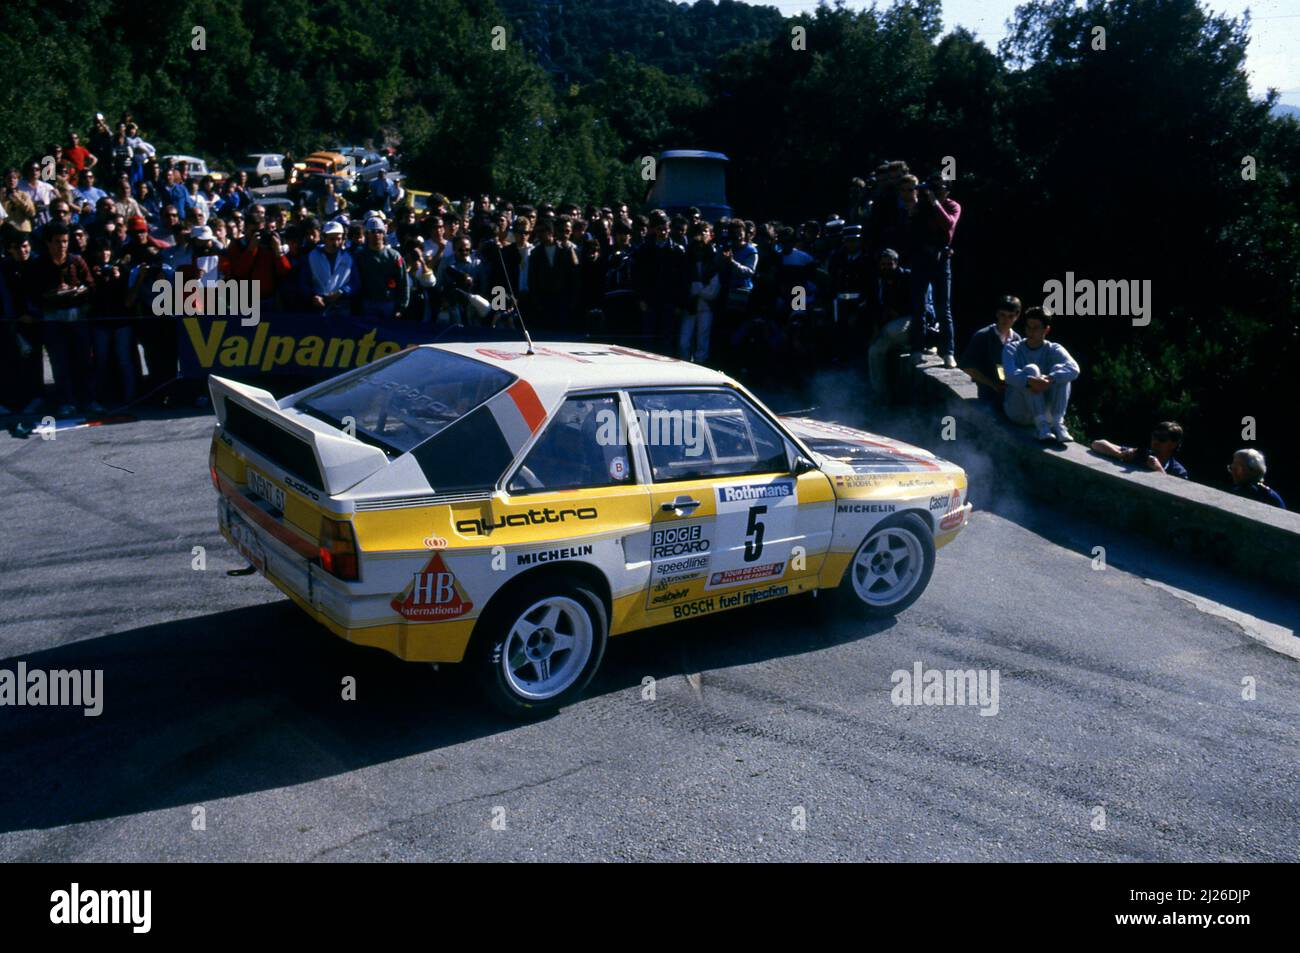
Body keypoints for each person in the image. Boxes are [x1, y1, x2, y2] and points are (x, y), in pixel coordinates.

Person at [32, 223, 95, 415]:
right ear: (48, 243)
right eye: (58, 242)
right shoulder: (39, 264)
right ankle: (66, 402)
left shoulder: (76, 261)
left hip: (75, 315)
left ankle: (88, 400)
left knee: (83, 361)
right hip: (52, 318)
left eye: (65, 241)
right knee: (60, 363)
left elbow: (91, 284)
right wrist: (50, 294)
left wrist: (80, 290)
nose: (62, 246)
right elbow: (32, 293)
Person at [1002, 306, 1080, 443]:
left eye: (1036, 328)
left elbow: (1074, 368)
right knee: (1031, 369)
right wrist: (1032, 380)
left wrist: (1050, 379)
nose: (1030, 332)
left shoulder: (1053, 348)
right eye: (1028, 327)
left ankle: (1057, 424)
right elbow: (1009, 375)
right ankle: (1041, 427)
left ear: (1046, 330)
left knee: (1061, 370)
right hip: (1018, 411)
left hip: (1046, 412)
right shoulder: (1012, 348)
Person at [866, 248, 914, 397]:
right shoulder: (880, 281)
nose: (886, 267)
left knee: (890, 330)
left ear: (896, 263)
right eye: (883, 264)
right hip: (888, 328)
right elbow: (876, 306)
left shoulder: (908, 277)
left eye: (889, 264)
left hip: (910, 321)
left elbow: (920, 307)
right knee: (874, 351)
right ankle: (880, 393)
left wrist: (897, 311)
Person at [960, 295, 1022, 406]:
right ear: (997, 313)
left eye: (1010, 316)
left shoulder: (1017, 339)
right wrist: (993, 385)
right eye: (1003, 315)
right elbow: (967, 367)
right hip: (988, 394)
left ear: (1017, 316)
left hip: (1011, 391)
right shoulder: (983, 336)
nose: (1006, 320)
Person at [352, 216, 407, 322]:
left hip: (388, 303)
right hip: (367, 303)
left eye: (379, 231)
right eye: (372, 231)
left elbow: (403, 283)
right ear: (367, 234)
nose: (376, 234)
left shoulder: (394, 256)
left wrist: (401, 306)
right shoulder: (359, 256)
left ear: (384, 233)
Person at [1091, 421, 1189, 478]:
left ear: (1173, 444)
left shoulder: (1179, 471)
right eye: (1154, 436)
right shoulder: (1142, 454)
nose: (1155, 441)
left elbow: (1177, 497)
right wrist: (1120, 454)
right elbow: (1097, 444)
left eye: (1161, 439)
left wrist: (1159, 470)